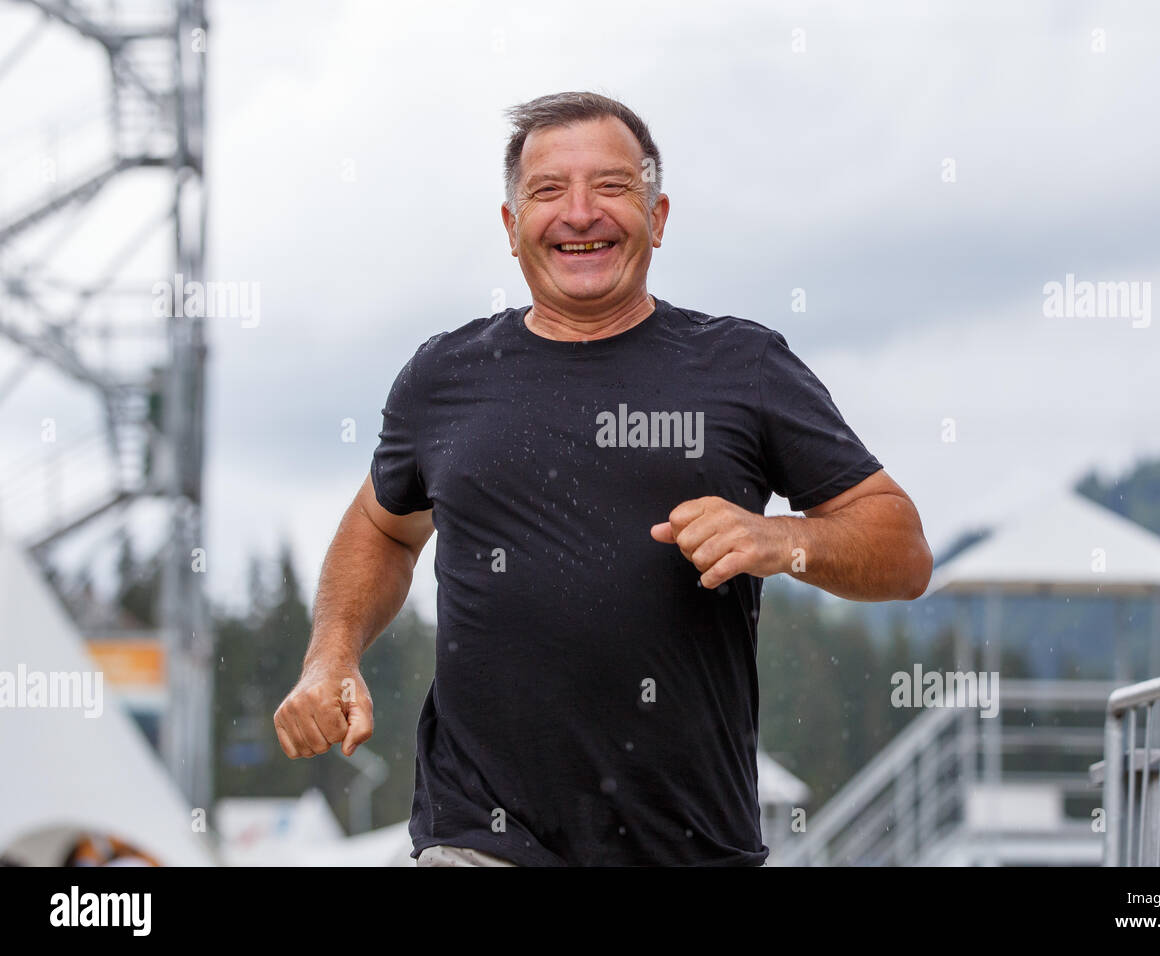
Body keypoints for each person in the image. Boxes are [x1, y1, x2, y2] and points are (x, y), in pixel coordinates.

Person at [274, 91, 932, 867]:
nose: (580, 213)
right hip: (478, 840)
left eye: (612, 187)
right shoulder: (443, 377)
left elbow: (903, 552)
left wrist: (782, 538)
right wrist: (331, 655)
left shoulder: (743, 367)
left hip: (690, 845)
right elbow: (383, 529)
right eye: (548, 190)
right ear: (511, 226)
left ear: (657, 216)